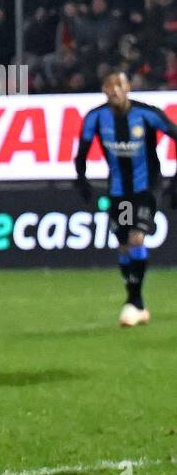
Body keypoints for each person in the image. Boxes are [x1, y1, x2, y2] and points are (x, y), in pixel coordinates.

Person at [74, 70, 177, 326]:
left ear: (128, 87)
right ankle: (137, 302)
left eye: (119, 85)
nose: (115, 91)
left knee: (136, 237)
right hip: (119, 191)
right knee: (123, 245)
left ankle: (133, 303)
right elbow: (82, 154)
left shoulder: (146, 114)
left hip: (146, 188)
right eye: (109, 86)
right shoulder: (96, 118)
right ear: (104, 90)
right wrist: (82, 180)